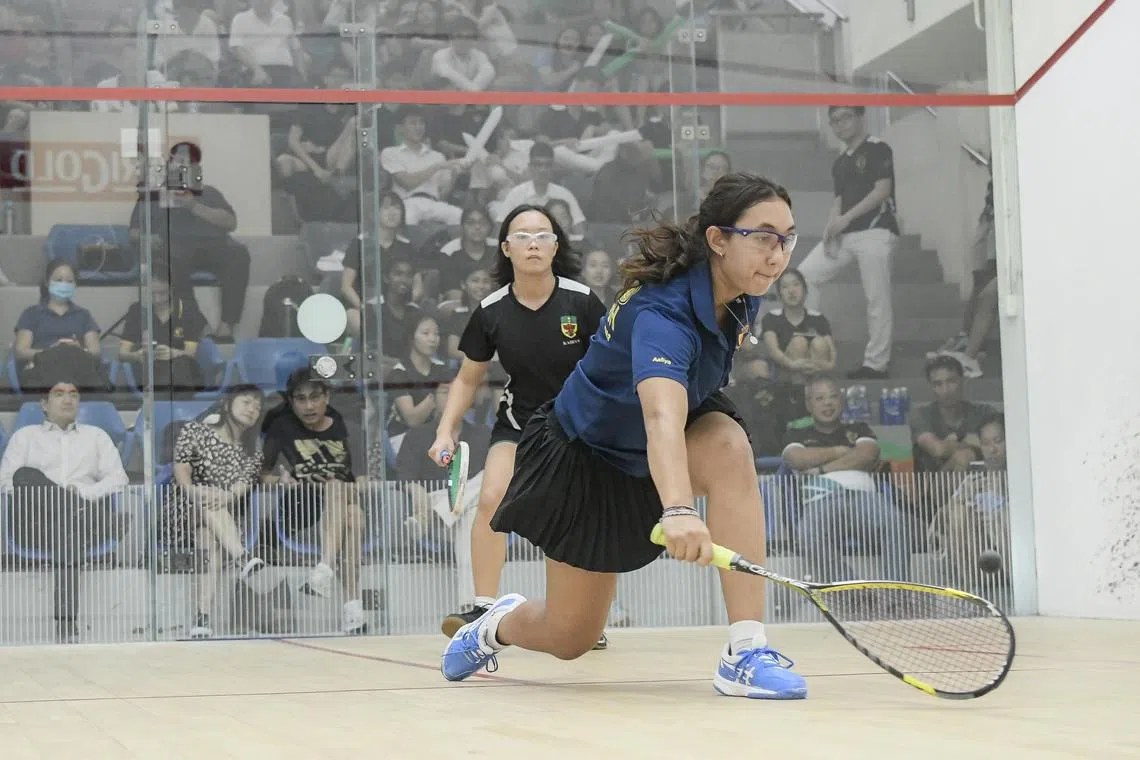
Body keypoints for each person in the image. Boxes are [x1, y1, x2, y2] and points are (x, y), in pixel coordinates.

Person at [439, 173, 809, 699]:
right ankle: (495, 626)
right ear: (718, 239)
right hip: (589, 459)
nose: (778, 255)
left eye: (787, 238)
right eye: (764, 237)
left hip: (663, 437)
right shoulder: (663, 314)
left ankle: (745, 651)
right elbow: (659, 416)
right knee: (570, 637)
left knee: (729, 446)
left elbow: (679, 413)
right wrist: (678, 509)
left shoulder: (742, 292)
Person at [428, 204, 607, 643]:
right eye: (522, 236)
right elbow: (468, 378)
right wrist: (445, 430)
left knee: (577, 517)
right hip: (519, 424)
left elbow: (612, 364)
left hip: (577, 427)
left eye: (543, 235)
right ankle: (483, 608)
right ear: (506, 248)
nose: (533, 244)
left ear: (556, 247)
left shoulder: (582, 301)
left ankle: (583, 619)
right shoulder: (491, 311)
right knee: (491, 497)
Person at [262, 369, 368, 634]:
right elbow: (262, 476)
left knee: (347, 503)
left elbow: (365, 480)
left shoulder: (350, 430)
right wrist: (280, 480)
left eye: (315, 397)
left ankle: (326, 572)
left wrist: (345, 486)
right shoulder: (281, 430)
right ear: (291, 401)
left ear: (327, 397)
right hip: (302, 513)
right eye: (300, 399)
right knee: (351, 512)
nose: (308, 406)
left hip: (343, 504)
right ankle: (349, 601)